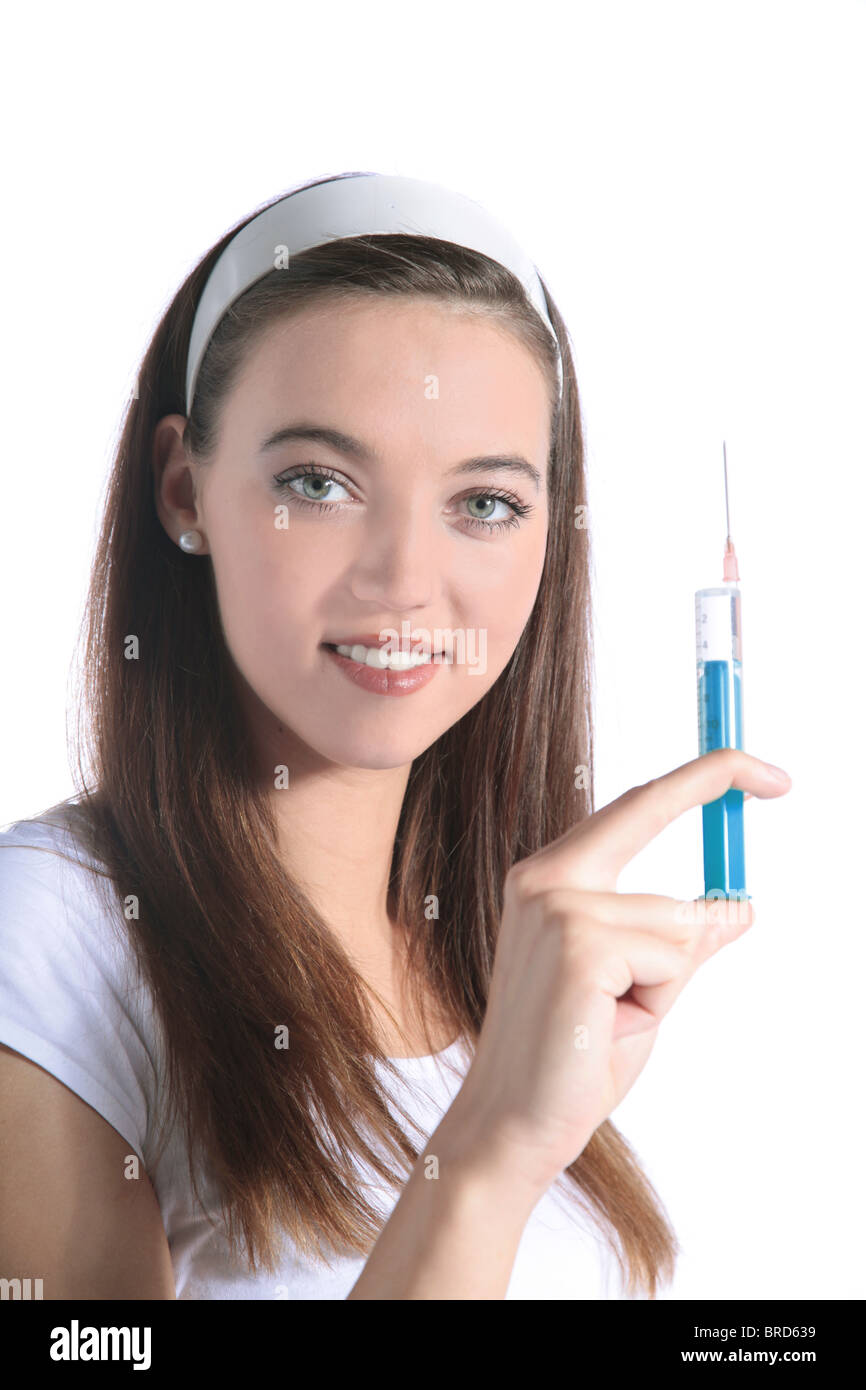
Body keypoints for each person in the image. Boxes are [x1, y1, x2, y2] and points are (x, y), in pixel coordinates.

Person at [0, 171, 791, 1301]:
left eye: (483, 504)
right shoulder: (53, 937)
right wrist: (482, 1158)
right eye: (318, 482)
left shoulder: (498, 961)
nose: (406, 584)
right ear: (184, 490)